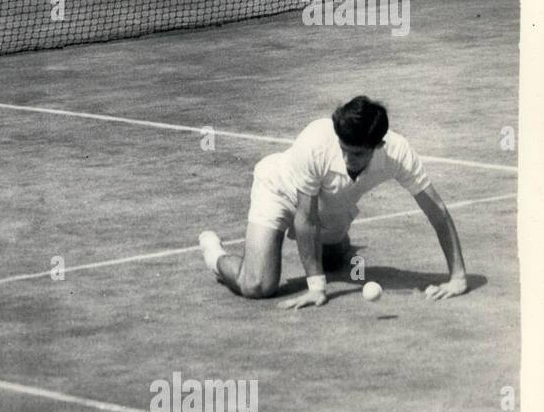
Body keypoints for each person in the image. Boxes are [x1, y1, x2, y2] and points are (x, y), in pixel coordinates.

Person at [198, 95, 469, 309]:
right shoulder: (315, 141)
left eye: (358, 153)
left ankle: (338, 245)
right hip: (279, 191)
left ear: (378, 145)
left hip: (332, 204)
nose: (349, 159)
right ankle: (214, 254)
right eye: (344, 150)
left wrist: (457, 278)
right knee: (257, 285)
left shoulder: (398, 153)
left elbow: (437, 212)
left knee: (333, 263)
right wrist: (316, 287)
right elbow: (306, 217)